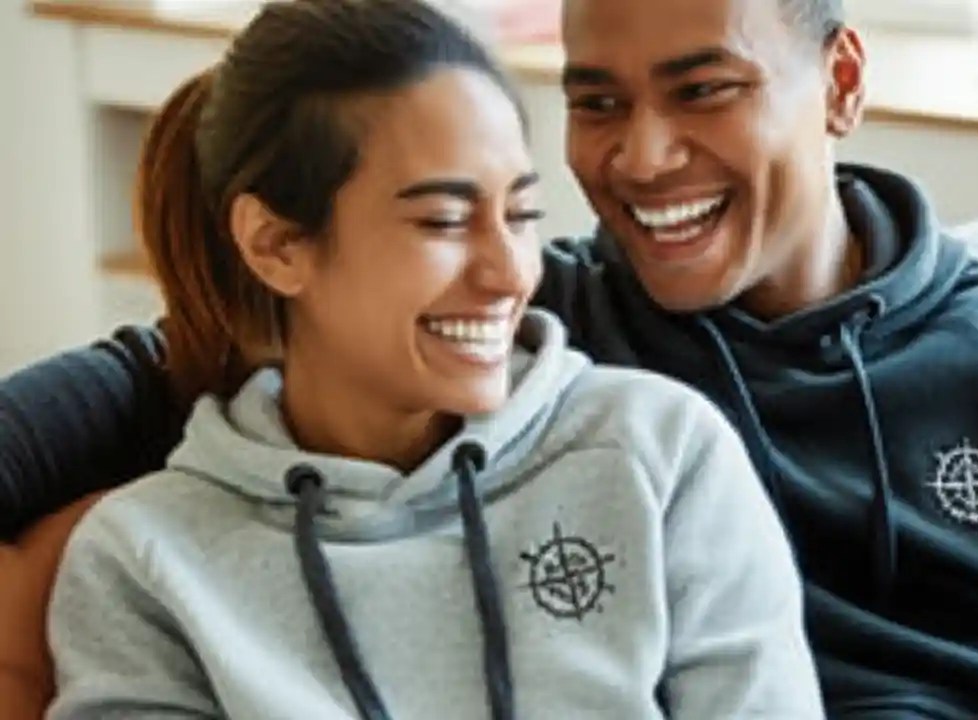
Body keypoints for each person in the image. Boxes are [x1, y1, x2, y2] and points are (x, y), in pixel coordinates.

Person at [2, 0, 978, 717]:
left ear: (836, 82)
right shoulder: (526, 327)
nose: (640, 157)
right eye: (596, 100)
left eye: (703, 89)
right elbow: (175, 364)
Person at [35, 1, 825, 718]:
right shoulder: (143, 562)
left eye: (519, 214)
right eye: (445, 222)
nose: (512, 273)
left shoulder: (661, 455)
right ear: (276, 246)